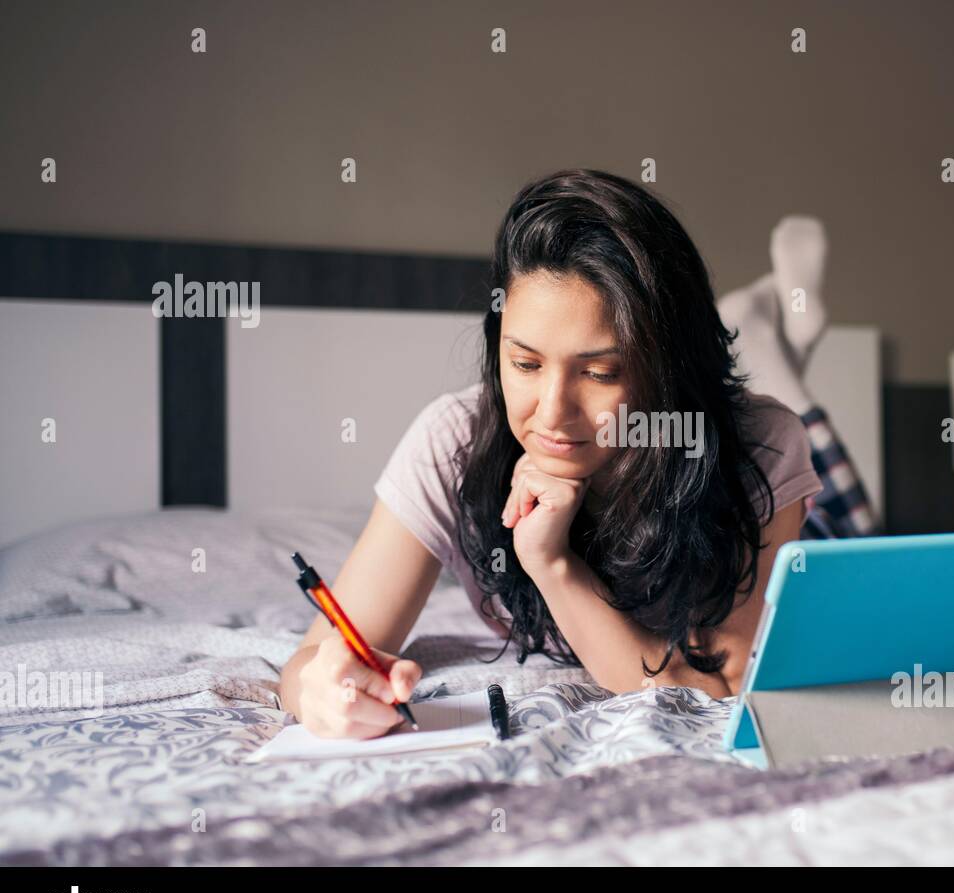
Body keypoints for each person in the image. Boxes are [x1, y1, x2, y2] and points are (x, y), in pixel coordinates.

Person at [277, 168, 824, 739]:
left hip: (804, 522)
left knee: (849, 518)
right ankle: (773, 338)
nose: (552, 413)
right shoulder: (453, 441)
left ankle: (779, 346)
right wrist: (320, 690)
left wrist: (553, 564)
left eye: (599, 372)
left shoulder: (759, 444)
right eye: (526, 364)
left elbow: (717, 692)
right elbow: (313, 661)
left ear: (666, 372)